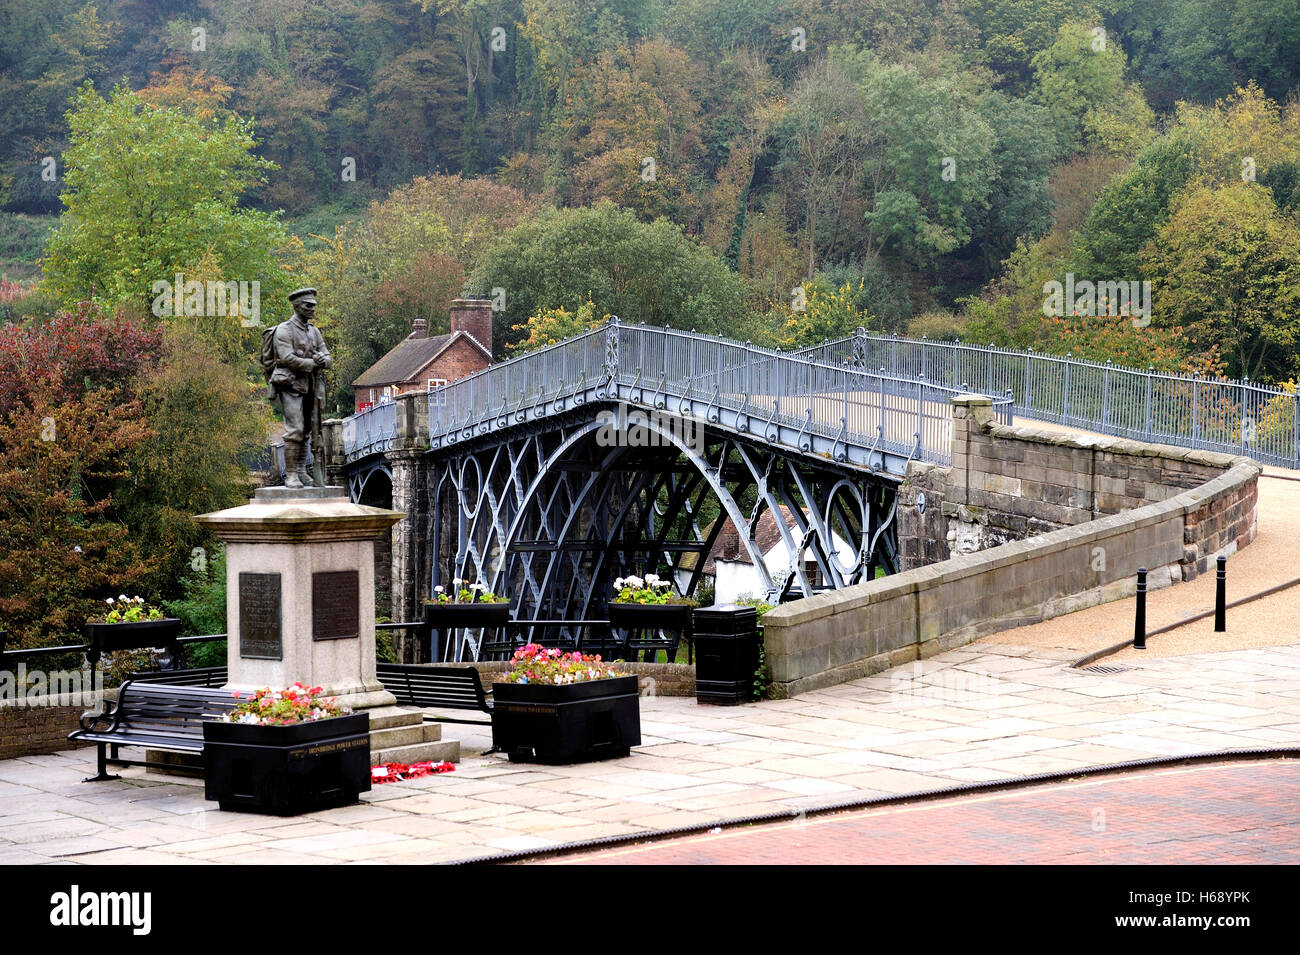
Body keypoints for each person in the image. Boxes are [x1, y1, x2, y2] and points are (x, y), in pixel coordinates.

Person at [267, 287, 331, 488]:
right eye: (308, 305)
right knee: (295, 429)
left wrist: (323, 359)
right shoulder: (284, 330)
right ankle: (291, 475)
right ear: (296, 306)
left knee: (308, 431)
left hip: (311, 387)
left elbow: (327, 356)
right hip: (291, 385)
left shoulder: (314, 331)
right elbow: (286, 358)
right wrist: (313, 363)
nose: (312, 308)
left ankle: (302, 471)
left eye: (314, 305)